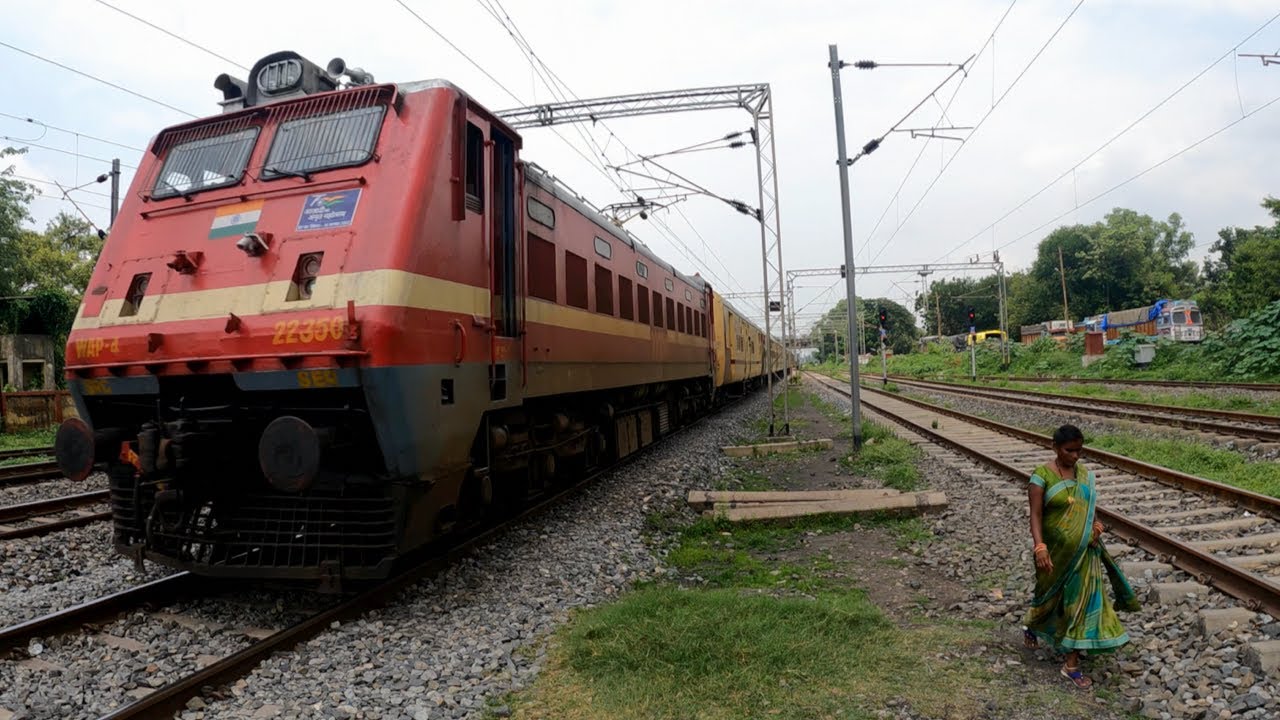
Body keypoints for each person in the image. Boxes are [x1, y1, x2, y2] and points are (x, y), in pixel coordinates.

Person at [1021, 424, 1140, 689]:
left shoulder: (1084, 475)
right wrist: (1039, 546)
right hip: (1054, 553)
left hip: (1085, 553)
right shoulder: (1041, 477)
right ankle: (1034, 624)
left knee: (1079, 603)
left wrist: (1096, 526)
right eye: (1069, 450)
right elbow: (1036, 515)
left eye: (1079, 451)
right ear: (1055, 447)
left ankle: (1071, 664)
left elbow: (1088, 508)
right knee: (1048, 596)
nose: (1075, 456)